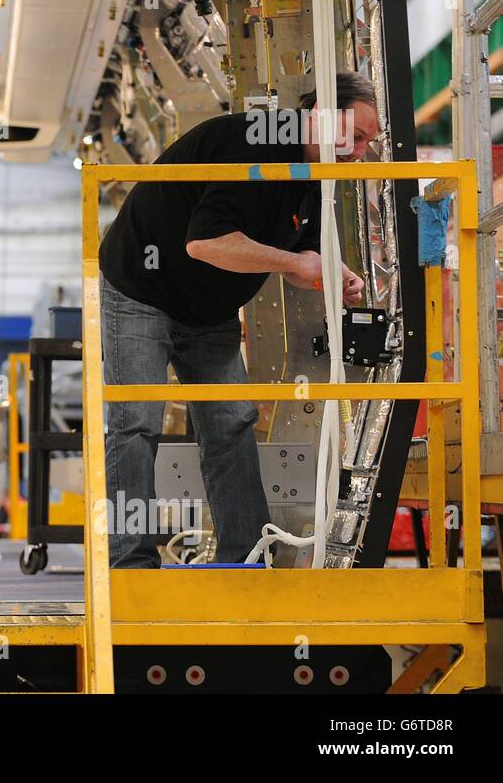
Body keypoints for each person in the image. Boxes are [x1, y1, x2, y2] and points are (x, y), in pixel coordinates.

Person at [97, 72, 380, 568]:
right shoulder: (250, 144)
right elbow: (205, 242)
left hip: (208, 307)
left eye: (368, 143)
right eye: (355, 137)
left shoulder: (313, 174)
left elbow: (295, 251)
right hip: (141, 289)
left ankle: (247, 557)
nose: (359, 153)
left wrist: (329, 272)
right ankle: (130, 567)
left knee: (231, 422)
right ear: (320, 115)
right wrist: (296, 264)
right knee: (135, 424)